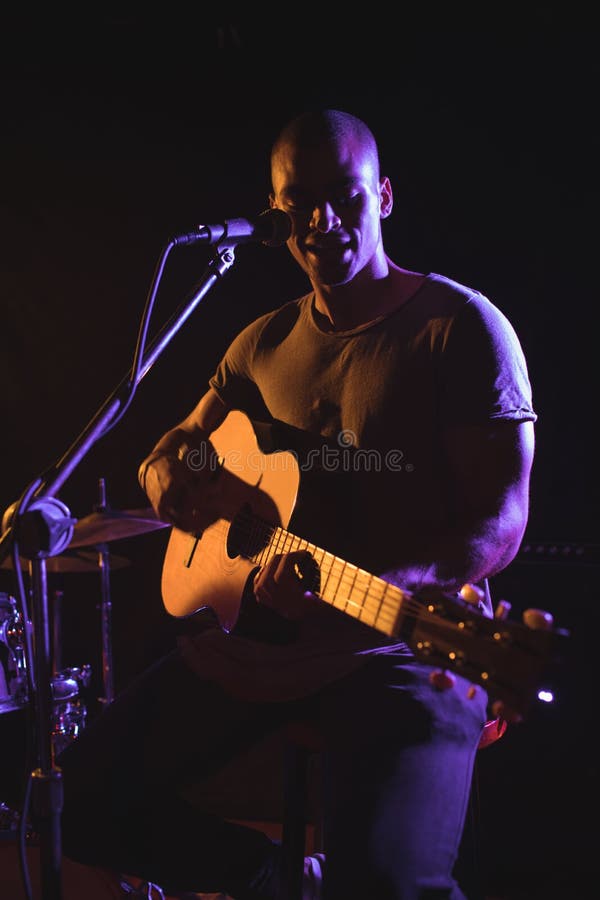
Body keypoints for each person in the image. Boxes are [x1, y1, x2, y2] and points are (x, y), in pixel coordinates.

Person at [57, 108, 536, 899]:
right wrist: (169, 476)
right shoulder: (259, 343)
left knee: (384, 885)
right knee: (74, 805)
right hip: (264, 646)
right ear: (275, 214)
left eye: (343, 195)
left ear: (382, 196)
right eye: (299, 200)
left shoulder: (460, 328)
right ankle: (274, 882)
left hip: (405, 648)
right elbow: (167, 451)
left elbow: (500, 522)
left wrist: (381, 585)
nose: (322, 219)